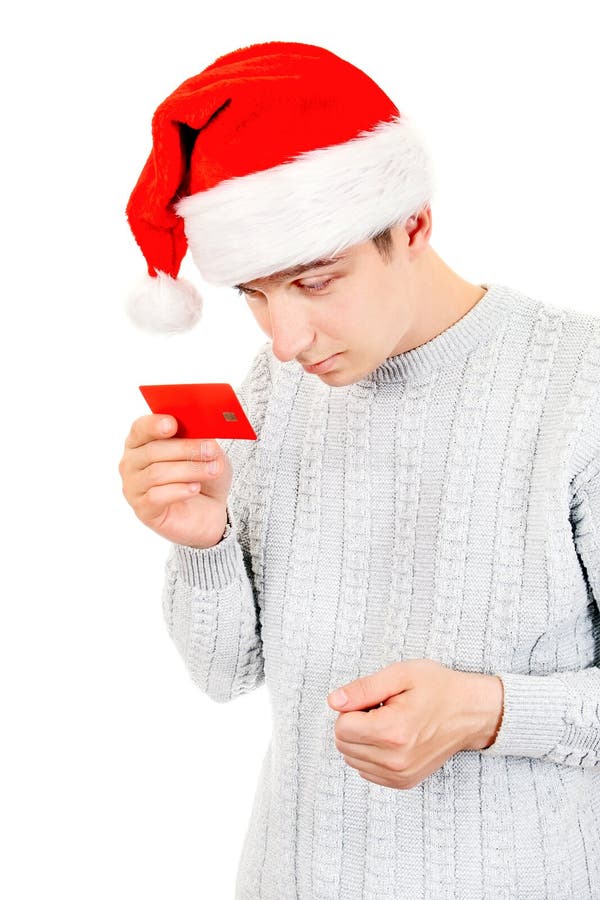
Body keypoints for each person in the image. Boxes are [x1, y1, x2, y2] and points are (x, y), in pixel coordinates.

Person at [118, 40, 600, 899]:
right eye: (255, 297)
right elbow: (225, 672)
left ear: (412, 225)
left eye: (315, 283)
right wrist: (204, 541)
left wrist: (486, 712)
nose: (285, 339)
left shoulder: (578, 386)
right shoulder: (275, 389)